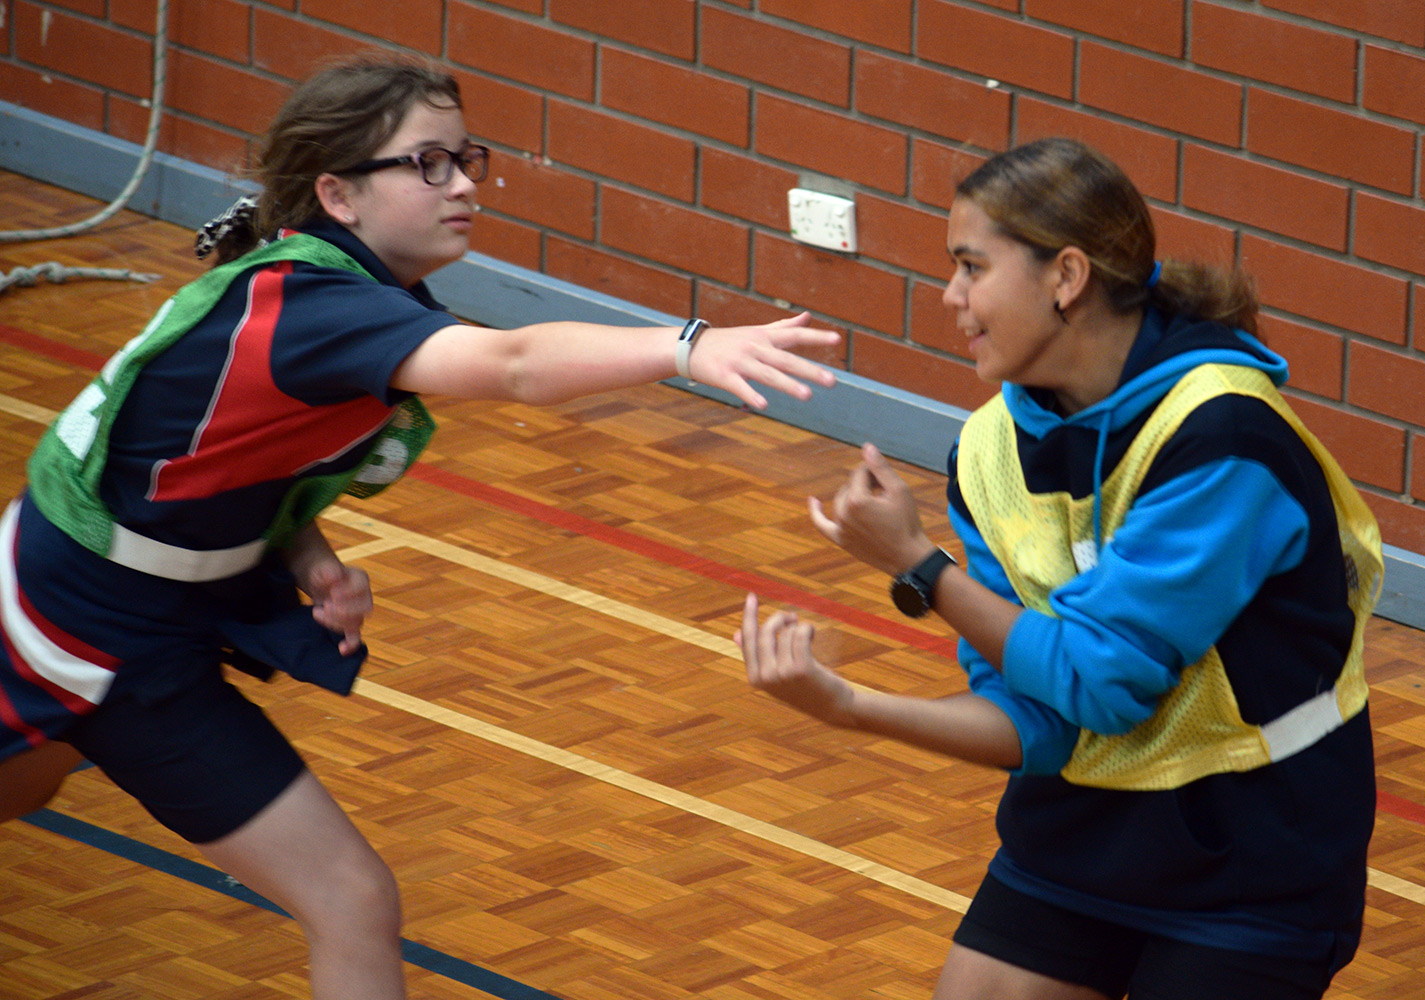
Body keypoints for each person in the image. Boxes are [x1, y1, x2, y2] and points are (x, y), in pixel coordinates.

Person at [0, 53, 838, 1000]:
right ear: (339, 195)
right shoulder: (311, 309)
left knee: (32, 781)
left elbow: (212, 460)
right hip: (93, 624)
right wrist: (686, 347)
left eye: (467, 159)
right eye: (429, 164)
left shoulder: (322, 290)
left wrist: (308, 555)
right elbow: (516, 364)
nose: (465, 184)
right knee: (352, 898)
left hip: (110, 588)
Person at [736, 137, 1382, 1000]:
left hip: (1252, 858)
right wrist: (849, 707)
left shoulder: (1223, 435)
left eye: (971, 266)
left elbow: (1100, 684)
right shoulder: (989, 451)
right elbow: (1038, 721)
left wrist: (921, 567)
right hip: (1084, 831)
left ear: (1066, 277)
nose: (950, 295)